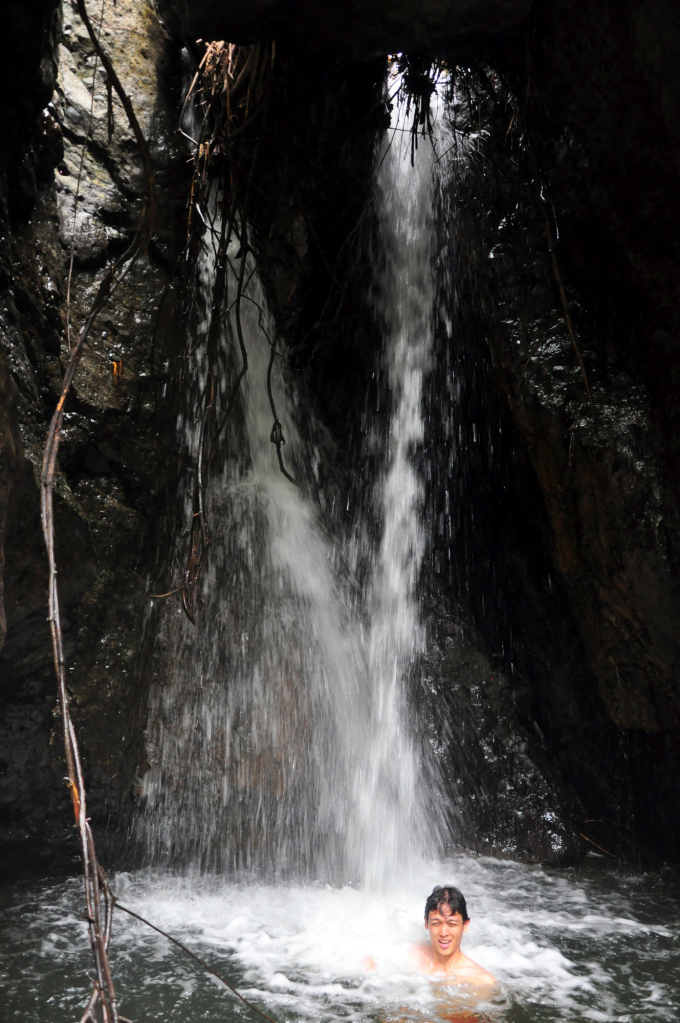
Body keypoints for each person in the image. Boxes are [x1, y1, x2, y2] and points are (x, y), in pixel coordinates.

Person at [411, 885, 495, 986]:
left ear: (465, 925)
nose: (443, 933)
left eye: (452, 924)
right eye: (436, 923)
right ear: (426, 923)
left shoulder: (481, 982)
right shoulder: (412, 957)